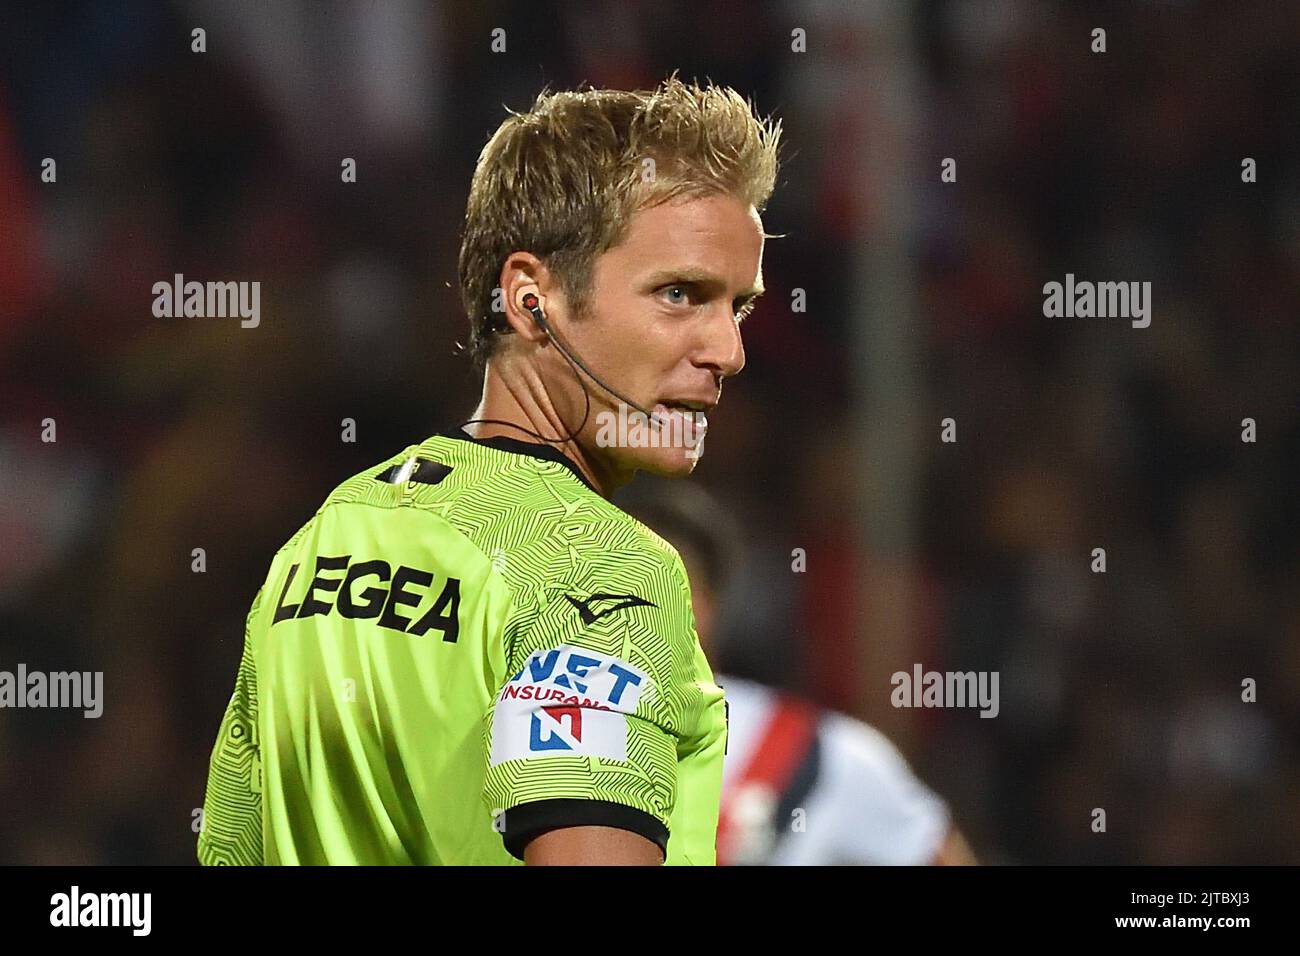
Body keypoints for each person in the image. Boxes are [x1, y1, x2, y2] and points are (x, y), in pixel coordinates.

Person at [197, 74, 782, 865]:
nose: (729, 352)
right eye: (680, 294)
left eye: (737, 307)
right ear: (530, 299)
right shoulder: (603, 568)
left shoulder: (321, 541)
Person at [619, 482, 978, 865]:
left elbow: (938, 854)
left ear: (704, 604)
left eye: (647, 593)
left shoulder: (820, 752)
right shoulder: (558, 732)